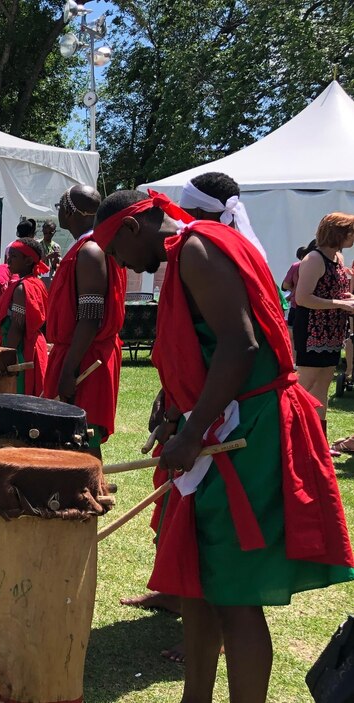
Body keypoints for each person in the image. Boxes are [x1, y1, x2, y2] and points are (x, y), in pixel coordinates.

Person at [97, 188, 354, 703]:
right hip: (224, 424)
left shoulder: (197, 248)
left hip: (247, 433)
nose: (120, 264)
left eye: (114, 251)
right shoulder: (188, 253)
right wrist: (176, 416)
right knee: (197, 585)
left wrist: (193, 435)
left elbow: (240, 345)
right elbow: (206, 350)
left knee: (234, 597)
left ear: (131, 228)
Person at [43, 184, 119, 456]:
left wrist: (68, 370)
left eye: (60, 207)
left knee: (81, 440)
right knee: (68, 440)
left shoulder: (90, 252)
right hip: (79, 353)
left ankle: (90, 493)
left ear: (69, 212)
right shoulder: (87, 249)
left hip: (86, 359)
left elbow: (90, 318)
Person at [291, 213, 354, 447]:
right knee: (304, 385)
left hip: (332, 330)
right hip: (312, 330)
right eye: (351, 232)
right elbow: (303, 297)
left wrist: (345, 298)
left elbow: (331, 291)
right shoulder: (314, 259)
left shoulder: (338, 257)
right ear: (339, 233)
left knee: (323, 387)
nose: (353, 237)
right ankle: (285, 436)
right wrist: (339, 303)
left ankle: (318, 443)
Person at [0, 238, 48, 395]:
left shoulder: (22, 288)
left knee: (15, 396)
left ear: (28, 260)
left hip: (19, 350)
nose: (8, 259)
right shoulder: (36, 283)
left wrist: (5, 358)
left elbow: (17, 327)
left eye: (14, 256)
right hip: (30, 346)